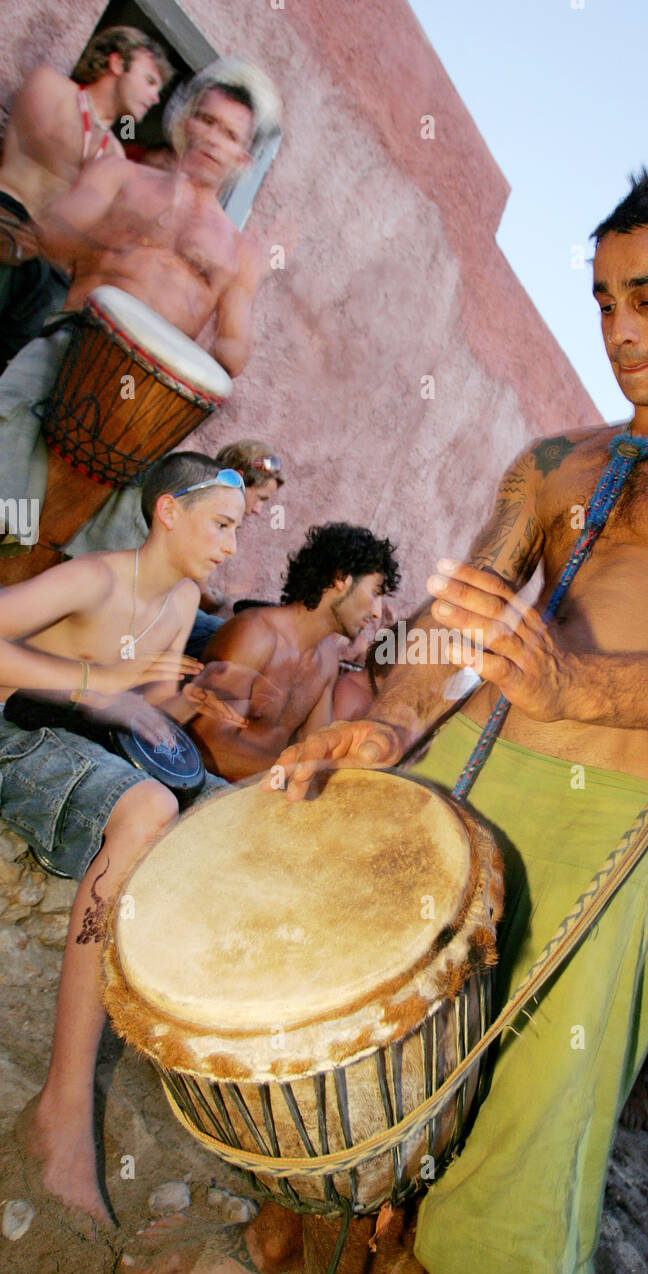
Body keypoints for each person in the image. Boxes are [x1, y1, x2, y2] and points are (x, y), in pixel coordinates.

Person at [122, 162, 648, 1274]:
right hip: (472, 780)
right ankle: (308, 1256)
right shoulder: (554, 461)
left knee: (521, 1144)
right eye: (603, 298)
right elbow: (462, 617)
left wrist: (578, 688)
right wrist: (390, 727)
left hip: (608, 831)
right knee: (372, 1064)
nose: (618, 327)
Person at [0, 452, 248, 1223]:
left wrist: (199, 701)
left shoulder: (182, 598)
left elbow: (147, 711)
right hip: (22, 741)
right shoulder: (95, 578)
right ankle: (61, 1113)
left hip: (94, 753)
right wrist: (93, 686)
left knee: (242, 816)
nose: (231, 547)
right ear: (169, 511)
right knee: (148, 811)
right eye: (222, 526)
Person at [0, 58, 279, 556]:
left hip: (147, 402)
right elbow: (51, 238)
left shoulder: (236, 253)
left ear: (244, 159)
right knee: (6, 460)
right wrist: (108, 229)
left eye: (231, 135)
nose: (213, 138)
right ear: (184, 122)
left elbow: (230, 357)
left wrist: (252, 282)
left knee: (102, 551)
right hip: (72, 343)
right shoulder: (119, 175)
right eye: (207, 121)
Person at [0, 26, 170, 368]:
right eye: (150, 80)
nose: (154, 98)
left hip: (49, 271)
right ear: (117, 62)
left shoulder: (118, 155)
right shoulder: (53, 87)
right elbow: (48, 151)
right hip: (7, 220)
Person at [188, 523, 399, 780]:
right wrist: (296, 774)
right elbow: (204, 746)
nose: (377, 612)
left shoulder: (328, 657)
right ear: (341, 578)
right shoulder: (255, 634)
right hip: (211, 790)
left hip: (263, 794)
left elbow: (315, 746)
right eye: (375, 592)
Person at [184, 438, 285, 658]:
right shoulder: (206, 514)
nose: (258, 509)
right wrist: (223, 601)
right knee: (242, 641)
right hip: (159, 610)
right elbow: (203, 597)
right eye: (260, 498)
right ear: (238, 479)